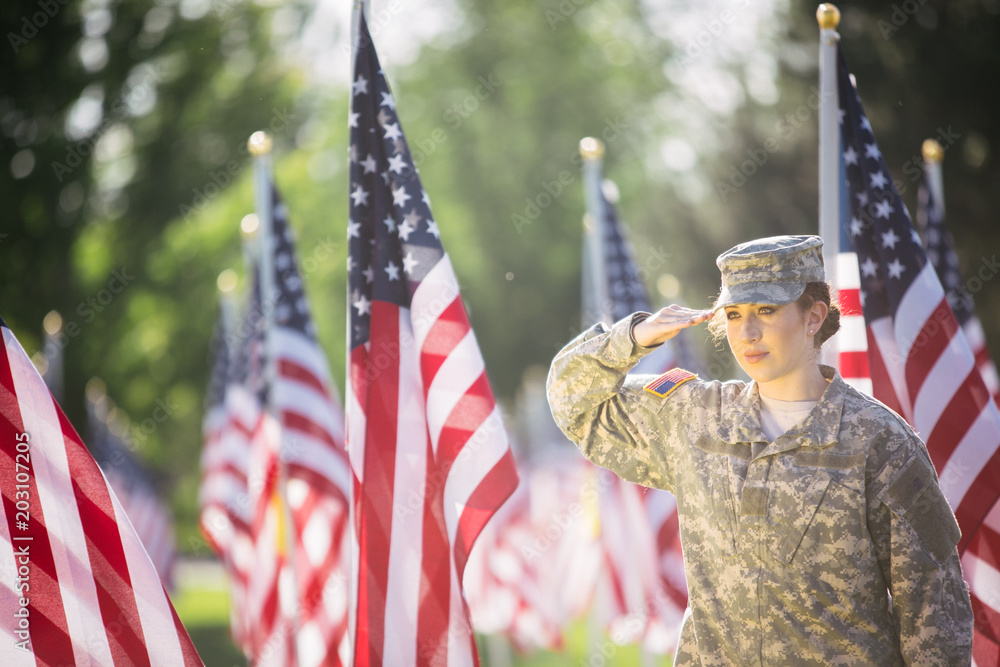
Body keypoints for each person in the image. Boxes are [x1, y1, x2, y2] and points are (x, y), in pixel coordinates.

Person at [547, 235, 974, 665]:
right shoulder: (695, 418)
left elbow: (933, 608)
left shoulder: (878, 439)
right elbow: (573, 402)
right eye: (734, 314)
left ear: (814, 317)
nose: (748, 333)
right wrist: (634, 337)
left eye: (766, 311)